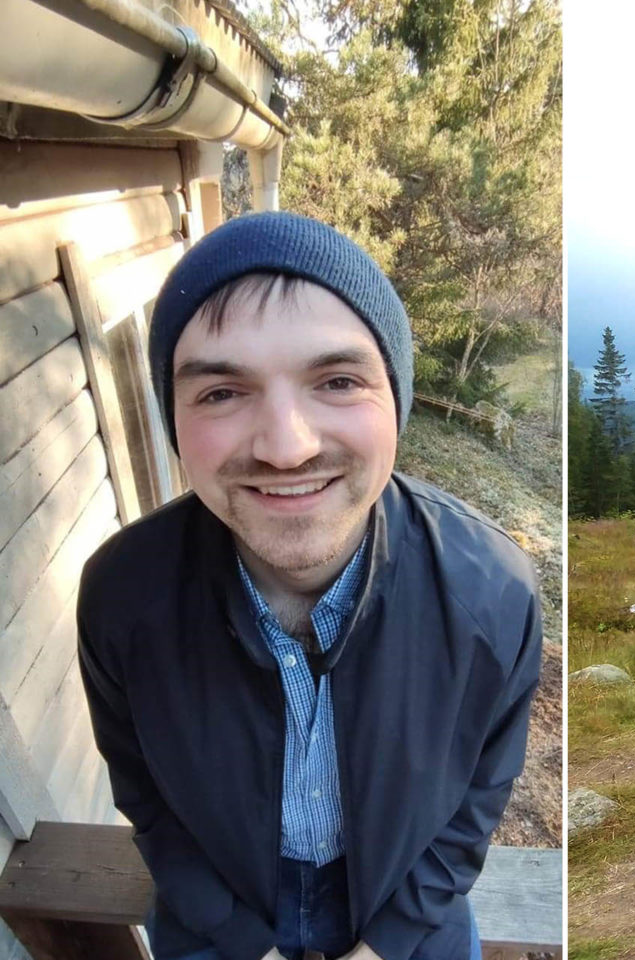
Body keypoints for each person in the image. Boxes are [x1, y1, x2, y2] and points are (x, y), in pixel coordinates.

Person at [77, 212, 543, 960]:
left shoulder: (492, 596)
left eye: (337, 380)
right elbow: (149, 801)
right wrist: (239, 940)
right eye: (223, 393)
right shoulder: (121, 599)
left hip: (405, 913)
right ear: (173, 418)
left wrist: (384, 945)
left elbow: (478, 799)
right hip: (215, 915)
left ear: (396, 397)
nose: (287, 446)